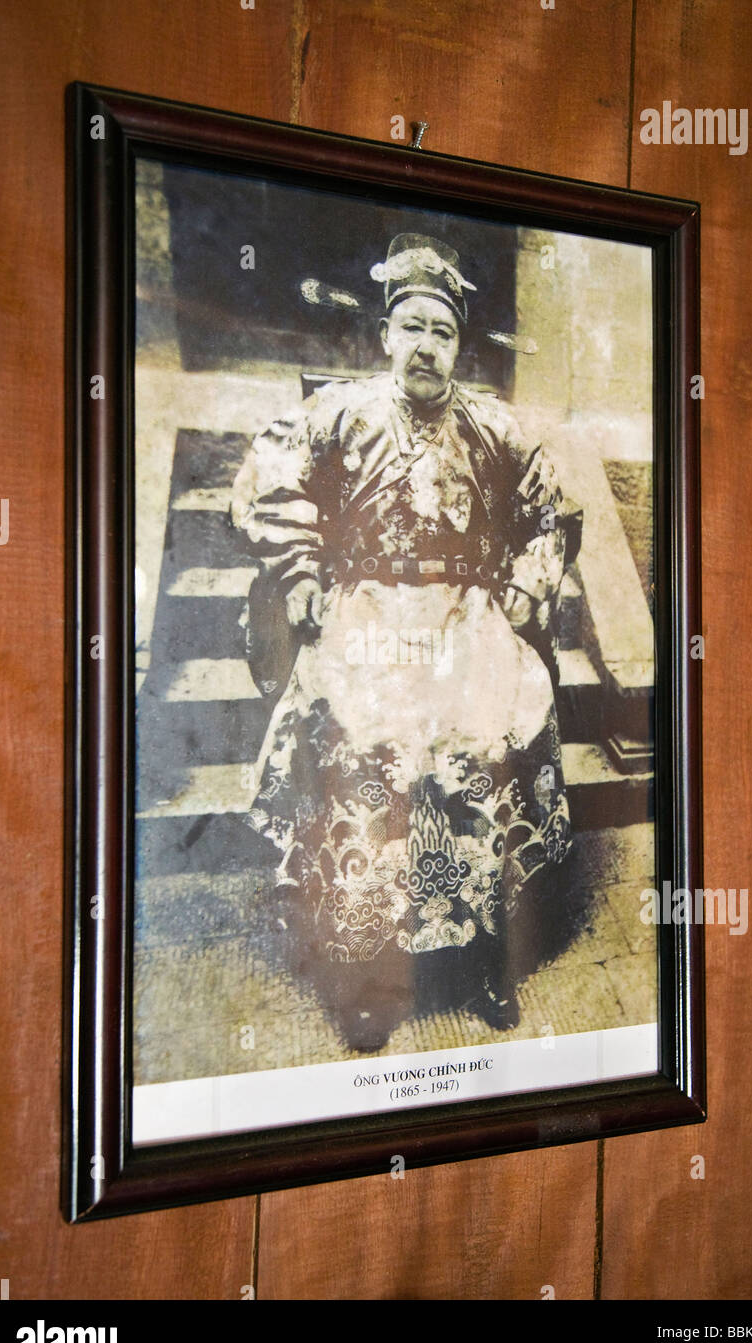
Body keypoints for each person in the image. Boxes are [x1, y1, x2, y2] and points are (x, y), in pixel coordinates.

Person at [230, 232, 580, 1051]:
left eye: (442, 332)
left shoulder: (495, 426)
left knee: (485, 730)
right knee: (366, 737)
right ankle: (365, 969)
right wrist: (300, 568)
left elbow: (550, 513)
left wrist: (527, 582)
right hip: (366, 613)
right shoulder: (339, 413)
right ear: (386, 335)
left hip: (466, 613)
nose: (426, 346)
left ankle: (488, 951)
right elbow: (270, 481)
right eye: (412, 328)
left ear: (460, 346)